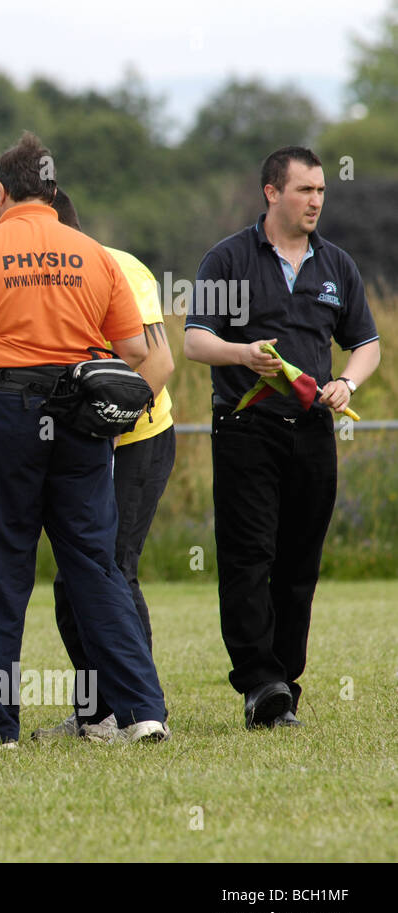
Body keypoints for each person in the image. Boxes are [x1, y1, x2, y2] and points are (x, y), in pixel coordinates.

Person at [0, 132, 169, 747]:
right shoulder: (93, 253)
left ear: (0, 191)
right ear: (54, 191)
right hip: (81, 414)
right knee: (95, 563)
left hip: (2, 409)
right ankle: (142, 713)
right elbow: (139, 352)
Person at [183, 146, 380, 730]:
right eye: (305, 190)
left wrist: (347, 381)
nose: (316, 200)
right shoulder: (227, 259)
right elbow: (195, 341)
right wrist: (242, 352)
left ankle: (284, 681)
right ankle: (259, 682)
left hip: (315, 432)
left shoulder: (337, 265)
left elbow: (366, 345)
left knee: (299, 561)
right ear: (272, 192)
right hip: (246, 429)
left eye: (321, 190)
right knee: (249, 557)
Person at [35, 189, 178, 741]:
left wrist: (108, 432)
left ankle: (140, 709)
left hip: (135, 440)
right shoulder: (39, 276)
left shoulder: (117, 266)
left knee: (110, 570)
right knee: (73, 581)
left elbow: (158, 361)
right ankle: (98, 712)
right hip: (86, 445)